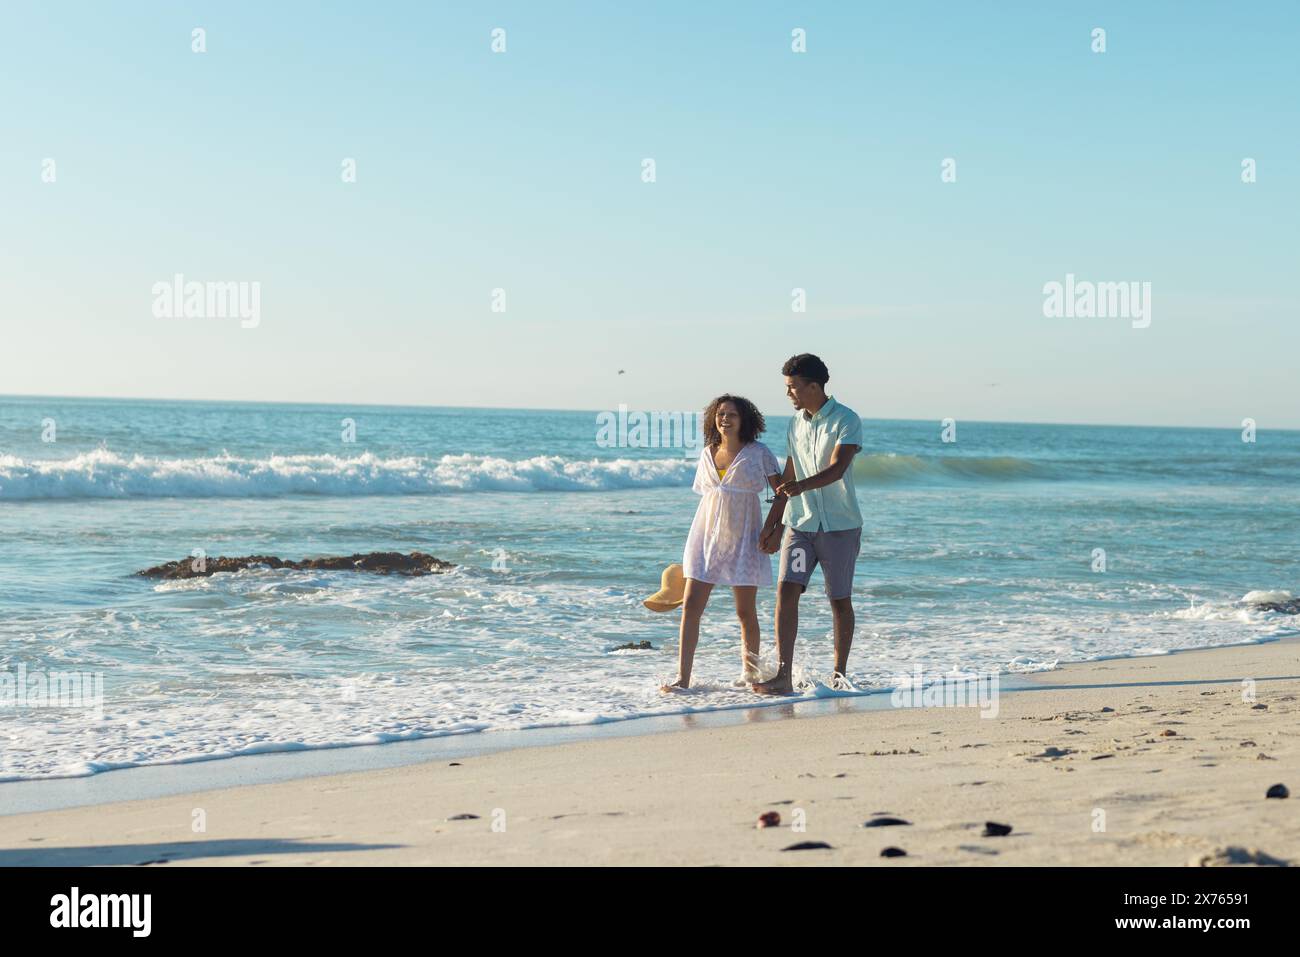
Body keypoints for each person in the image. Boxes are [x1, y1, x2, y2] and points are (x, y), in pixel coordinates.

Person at [752, 354, 863, 695]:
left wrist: (800, 485)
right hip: (799, 525)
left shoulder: (847, 420)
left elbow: (837, 468)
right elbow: (789, 474)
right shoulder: (795, 424)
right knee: (787, 589)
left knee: (838, 599)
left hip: (839, 528)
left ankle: (839, 675)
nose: (789, 394)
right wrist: (772, 523)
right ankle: (783, 675)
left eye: (793, 387)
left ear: (814, 386)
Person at [660, 394, 783, 691]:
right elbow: (709, 495)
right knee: (691, 606)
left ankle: (750, 674)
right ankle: (683, 678)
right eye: (720, 414)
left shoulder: (758, 453)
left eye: (732, 415)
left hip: (744, 537)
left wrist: (773, 528)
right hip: (706, 537)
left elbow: (782, 492)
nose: (725, 419)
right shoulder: (707, 453)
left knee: (745, 611)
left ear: (745, 420)